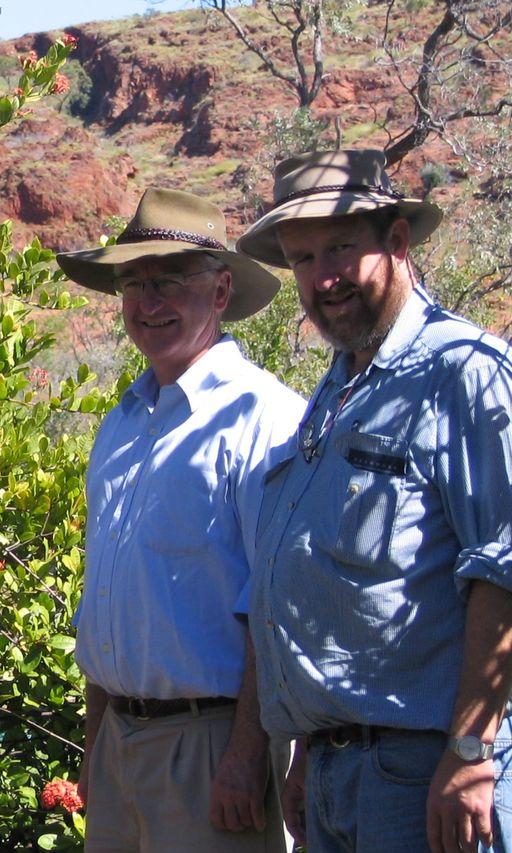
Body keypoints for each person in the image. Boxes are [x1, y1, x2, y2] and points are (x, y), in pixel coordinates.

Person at [239, 148, 512, 853]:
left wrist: (470, 752)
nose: (322, 277)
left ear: (397, 242)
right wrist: (308, 750)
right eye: (302, 258)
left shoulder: (464, 373)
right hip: (340, 769)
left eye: (340, 248)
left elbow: (503, 567)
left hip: (425, 771)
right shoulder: (338, 387)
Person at [56, 187, 304, 852]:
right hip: (119, 746)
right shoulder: (123, 422)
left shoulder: (263, 419)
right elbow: (107, 596)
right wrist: (95, 745)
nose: (147, 303)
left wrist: (246, 754)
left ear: (221, 291)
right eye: (132, 283)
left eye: (168, 280)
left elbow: (273, 604)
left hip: (214, 747)